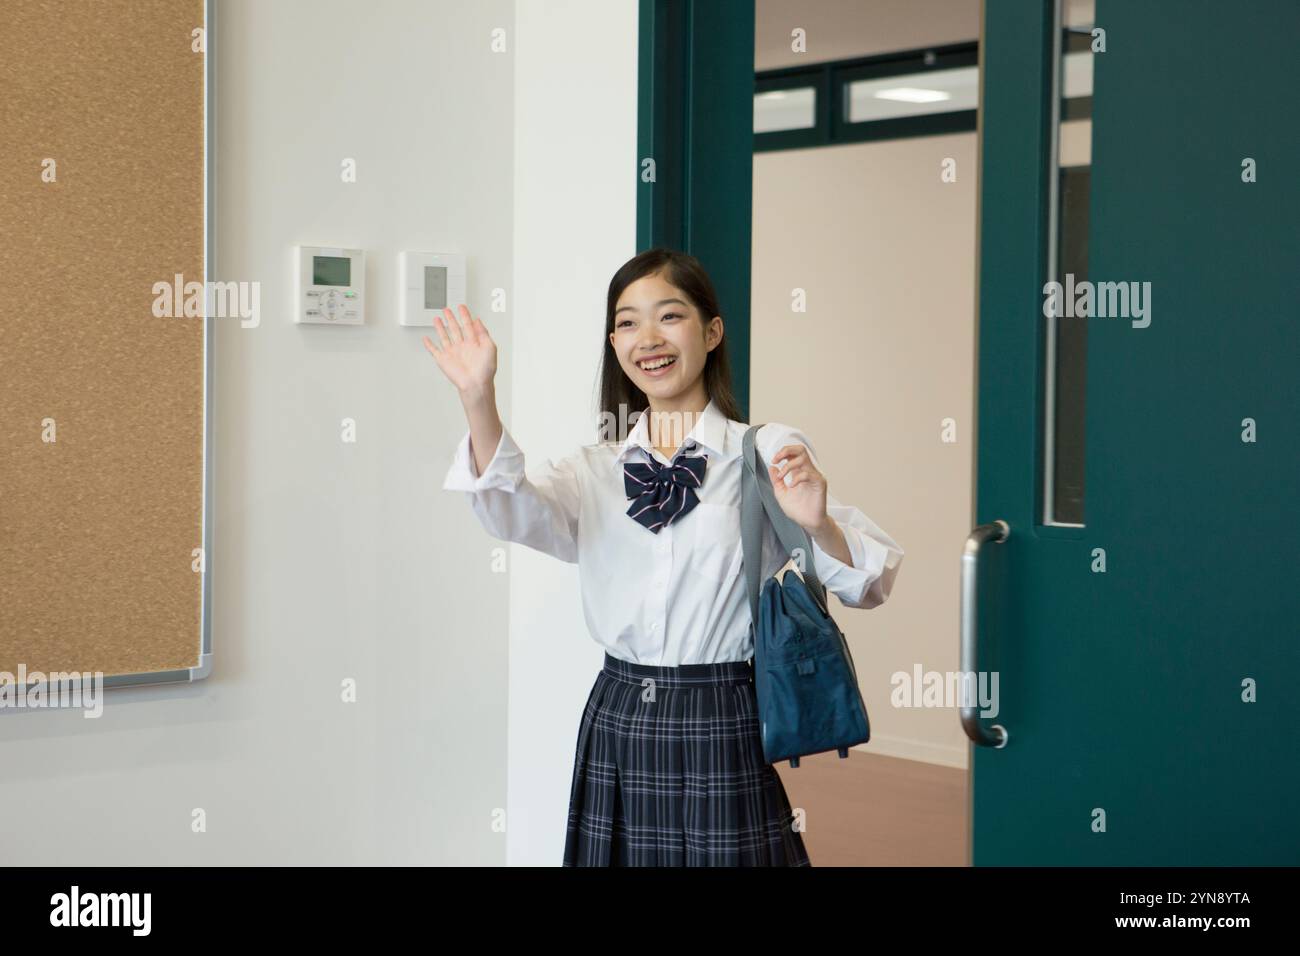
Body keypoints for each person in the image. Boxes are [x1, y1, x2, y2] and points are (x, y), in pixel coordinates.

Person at [427, 247, 903, 866]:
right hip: (620, 713)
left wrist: (817, 524)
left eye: (669, 316)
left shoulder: (762, 451)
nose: (647, 338)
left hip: (722, 714)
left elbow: (868, 582)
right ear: (614, 343)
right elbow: (511, 511)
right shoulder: (594, 470)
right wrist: (478, 397)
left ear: (712, 331)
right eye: (627, 322)